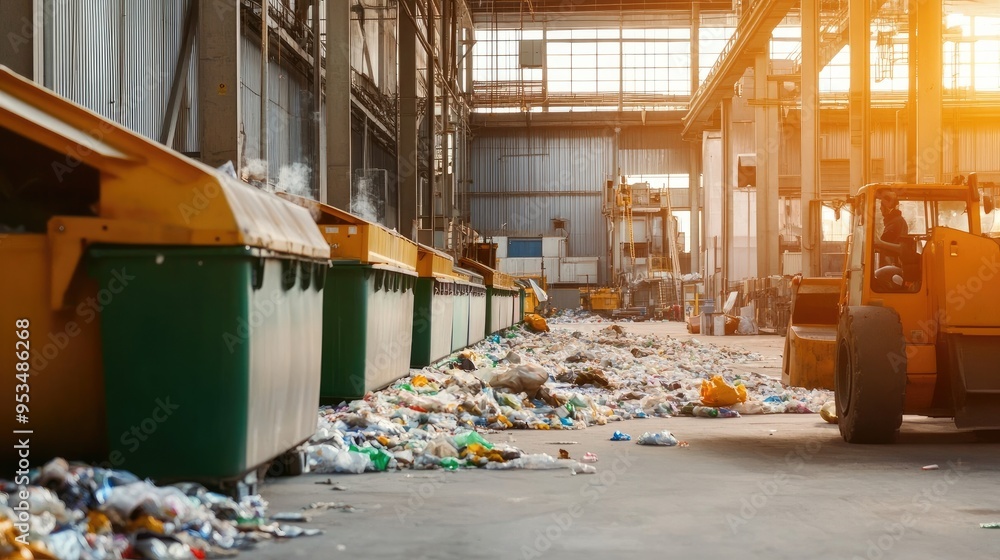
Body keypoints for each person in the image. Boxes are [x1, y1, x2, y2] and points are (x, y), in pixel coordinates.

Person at [874, 190, 909, 289]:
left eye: (882, 205)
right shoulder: (895, 221)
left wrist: (878, 243)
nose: (880, 208)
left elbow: (883, 244)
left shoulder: (895, 223)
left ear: (887, 207)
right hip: (894, 263)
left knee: (877, 276)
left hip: (895, 263)